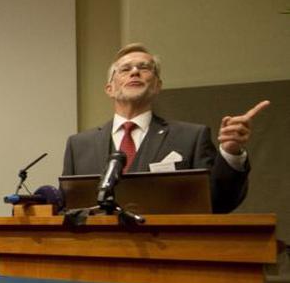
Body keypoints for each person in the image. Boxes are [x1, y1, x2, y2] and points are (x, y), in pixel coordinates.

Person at [62, 43, 269, 213]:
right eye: (125, 69)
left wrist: (230, 153)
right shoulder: (79, 145)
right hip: (99, 255)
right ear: (110, 88)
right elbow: (68, 210)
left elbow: (218, 203)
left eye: (145, 68)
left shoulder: (191, 137)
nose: (135, 72)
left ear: (157, 86)